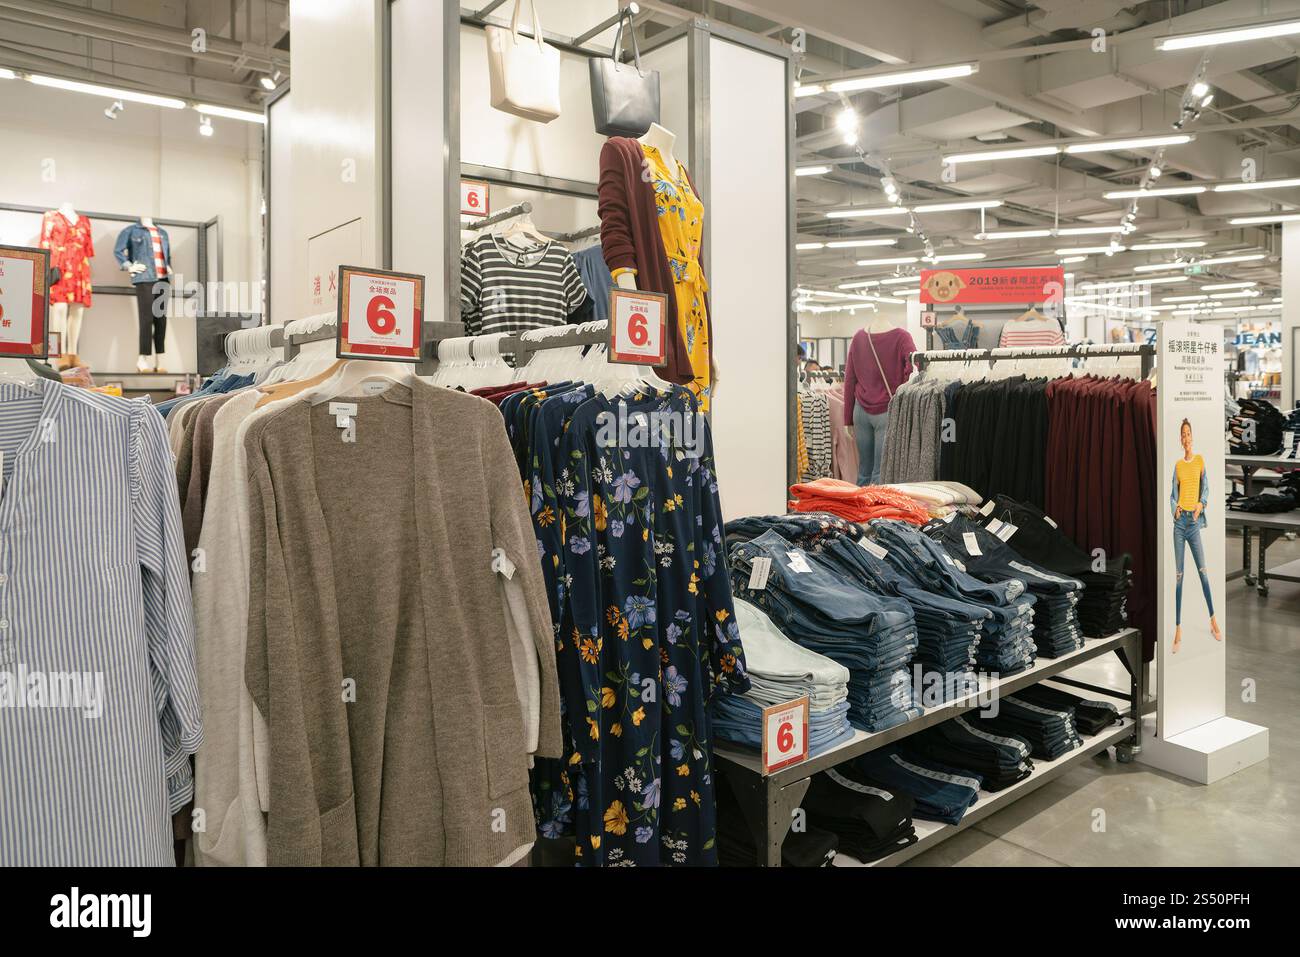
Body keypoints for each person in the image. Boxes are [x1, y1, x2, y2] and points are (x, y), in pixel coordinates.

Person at [1170, 418, 1222, 654]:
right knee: (1179, 577)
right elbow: (1173, 494)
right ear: (1181, 439)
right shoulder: (1178, 465)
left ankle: (1212, 620)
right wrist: (1175, 508)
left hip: (1193, 522)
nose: (1186, 437)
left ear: (1193, 436)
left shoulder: (1200, 461)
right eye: (1183, 434)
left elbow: (1207, 487)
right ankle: (1178, 628)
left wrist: (1202, 503)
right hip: (1180, 524)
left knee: (1203, 573)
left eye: (1189, 433)